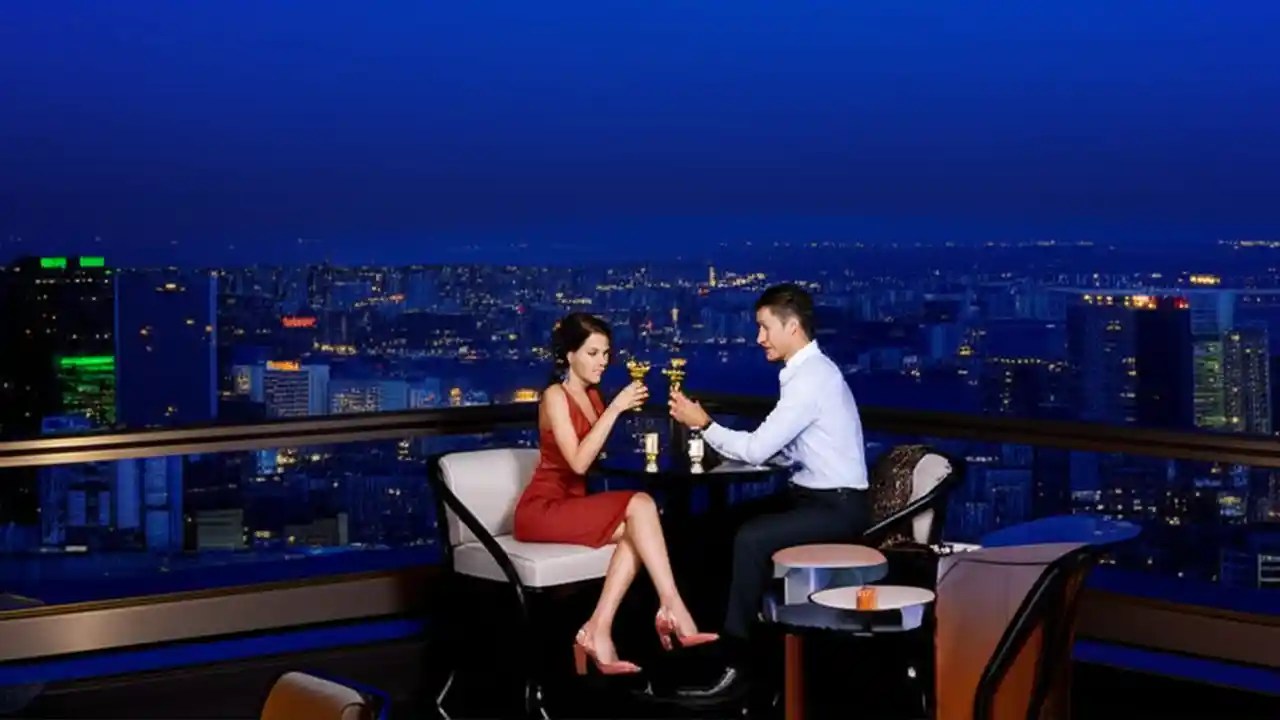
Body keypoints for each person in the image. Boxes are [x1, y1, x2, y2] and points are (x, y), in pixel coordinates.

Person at [668, 283, 870, 697]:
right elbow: (786, 450)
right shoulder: (807, 374)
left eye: (764, 328)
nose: (759, 338)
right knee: (713, 525)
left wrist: (703, 424)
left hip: (838, 508)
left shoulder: (810, 379)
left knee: (750, 539)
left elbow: (759, 447)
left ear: (792, 327)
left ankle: (735, 667)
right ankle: (708, 640)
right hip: (813, 497)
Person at [513, 312, 716, 677]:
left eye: (606, 354)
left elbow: (598, 455)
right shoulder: (555, 396)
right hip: (543, 508)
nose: (603, 362)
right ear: (569, 355)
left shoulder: (592, 395)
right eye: (593, 353)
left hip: (573, 504)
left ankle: (597, 629)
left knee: (641, 531)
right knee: (641, 503)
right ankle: (672, 607)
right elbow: (577, 462)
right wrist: (616, 408)